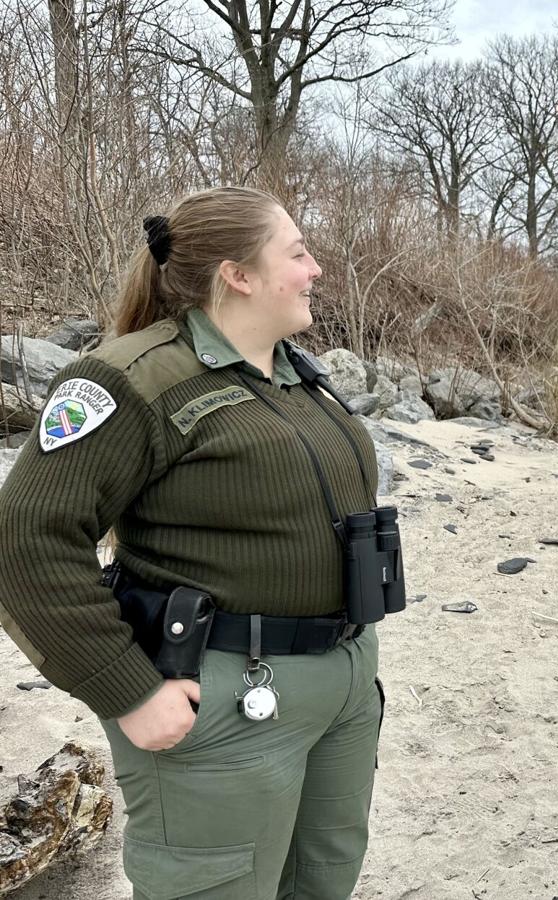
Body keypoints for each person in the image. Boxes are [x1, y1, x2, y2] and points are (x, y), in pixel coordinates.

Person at [0, 186, 398, 899]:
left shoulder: (293, 376)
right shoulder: (130, 379)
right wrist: (127, 691)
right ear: (236, 274)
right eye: (298, 253)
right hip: (227, 698)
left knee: (322, 881)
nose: (315, 270)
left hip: (339, 689)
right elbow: (24, 543)